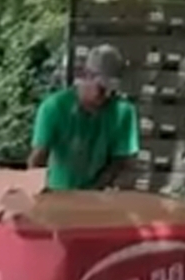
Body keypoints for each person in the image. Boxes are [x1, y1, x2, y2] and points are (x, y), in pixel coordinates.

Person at [28, 44, 141, 191]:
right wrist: (40, 192)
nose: (106, 96)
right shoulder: (54, 107)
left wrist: (98, 187)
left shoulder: (123, 111)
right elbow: (38, 158)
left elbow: (120, 161)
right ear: (86, 75)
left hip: (98, 195)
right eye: (101, 88)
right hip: (57, 192)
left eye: (112, 91)